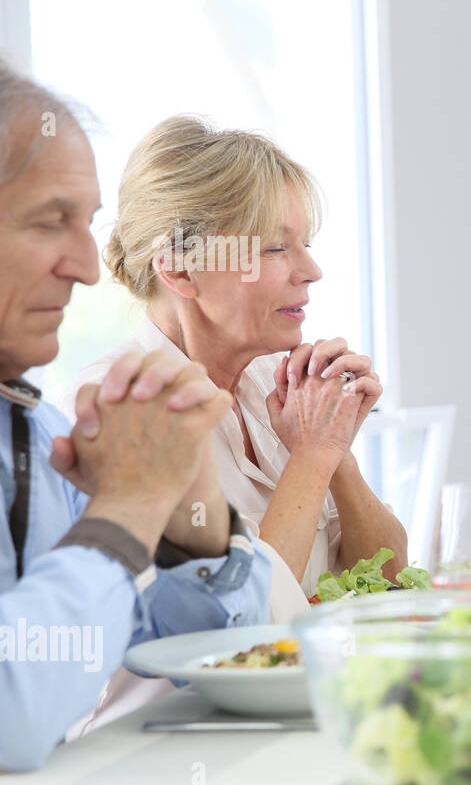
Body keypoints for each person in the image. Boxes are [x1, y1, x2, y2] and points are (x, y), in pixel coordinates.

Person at [58, 115, 407, 735]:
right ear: (182, 272)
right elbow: (248, 639)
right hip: (174, 747)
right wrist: (313, 458)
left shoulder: (270, 382)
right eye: (275, 248)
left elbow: (387, 580)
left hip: (296, 723)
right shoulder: (123, 404)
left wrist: (336, 453)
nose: (310, 270)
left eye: (305, 243)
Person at [0, 61, 271, 770]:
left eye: (87, 225)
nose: (90, 267)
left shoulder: (42, 434)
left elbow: (194, 649)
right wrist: (130, 507)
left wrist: (193, 531)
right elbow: (11, 718)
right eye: (49, 223)